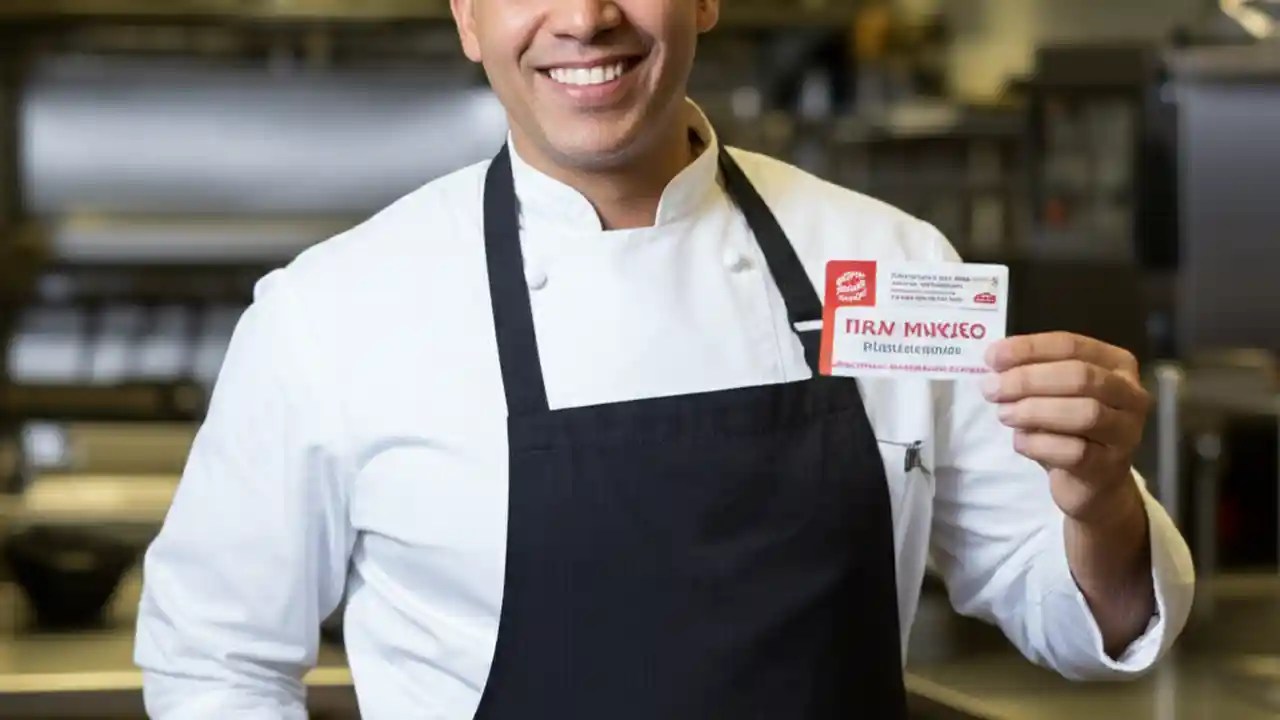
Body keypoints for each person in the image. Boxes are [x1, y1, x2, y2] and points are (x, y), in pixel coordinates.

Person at [133, 0, 1195, 717]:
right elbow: (213, 662)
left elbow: (1070, 617)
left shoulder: (882, 260)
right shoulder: (331, 312)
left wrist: (1097, 497)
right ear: (465, 15)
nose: (586, 14)